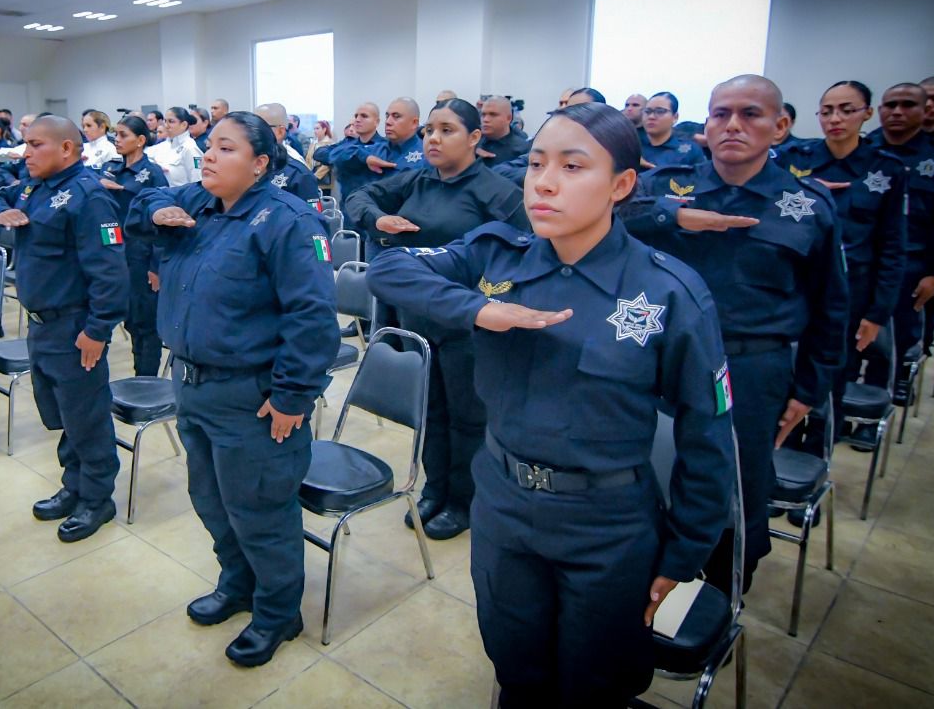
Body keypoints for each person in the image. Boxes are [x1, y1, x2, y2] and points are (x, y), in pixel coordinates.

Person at [368, 102, 734, 707]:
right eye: (536, 163)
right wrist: (478, 309)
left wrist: (686, 552)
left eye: (572, 165)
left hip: (607, 525)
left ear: (620, 185)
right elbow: (387, 267)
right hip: (505, 508)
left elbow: (707, 432)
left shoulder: (668, 290)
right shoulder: (497, 256)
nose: (543, 181)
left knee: (594, 684)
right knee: (518, 669)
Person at [125, 111, 338, 668]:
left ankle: (277, 611)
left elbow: (313, 318)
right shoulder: (197, 203)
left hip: (253, 396)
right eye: (207, 147)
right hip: (193, 384)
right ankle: (237, 582)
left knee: (260, 511)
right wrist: (156, 207)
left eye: (225, 148)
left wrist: (293, 396)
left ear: (261, 163)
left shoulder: (287, 222)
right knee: (211, 500)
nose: (209, 157)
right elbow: (137, 203)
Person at [622, 74, 847, 594]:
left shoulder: (808, 205)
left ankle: (719, 597)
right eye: (721, 114)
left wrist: (808, 391)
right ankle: (646, 579)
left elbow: (831, 308)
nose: (733, 126)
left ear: (781, 126)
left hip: (749, 367)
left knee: (733, 489)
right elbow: (612, 217)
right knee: (647, 474)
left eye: (751, 114)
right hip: (657, 358)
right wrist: (672, 214)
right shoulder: (668, 186)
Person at [346, 99, 529, 539]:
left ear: (473, 139)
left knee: (468, 417)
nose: (433, 138)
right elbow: (358, 196)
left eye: (447, 130)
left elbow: (524, 250)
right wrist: (380, 219)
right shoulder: (418, 180)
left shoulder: (496, 191)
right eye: (429, 130)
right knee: (432, 411)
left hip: (470, 323)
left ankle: (463, 501)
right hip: (418, 318)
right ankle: (435, 489)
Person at [0, 115, 130, 540]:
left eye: (35, 144)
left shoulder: (88, 196)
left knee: (87, 417)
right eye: (25, 144)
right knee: (64, 416)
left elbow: (110, 271)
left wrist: (98, 329)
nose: (26, 152)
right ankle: (74, 486)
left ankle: (97, 499)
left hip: (74, 326)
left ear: (67, 148)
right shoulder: (31, 187)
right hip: (41, 325)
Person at [774, 82, 905, 511]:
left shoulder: (884, 169)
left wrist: (878, 312)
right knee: (787, 388)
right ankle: (777, 474)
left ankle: (814, 469)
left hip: (851, 298)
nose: (835, 118)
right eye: (827, 110)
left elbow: (892, 246)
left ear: (866, 114)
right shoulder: (797, 161)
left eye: (846, 110)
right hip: (797, 293)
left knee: (827, 386)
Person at [865, 83, 934, 398]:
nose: (897, 111)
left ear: (924, 111)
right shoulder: (864, 150)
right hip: (862, 262)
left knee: (889, 344)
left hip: (912, 264)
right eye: (890, 104)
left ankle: (872, 415)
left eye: (907, 105)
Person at [99, 115, 169, 375]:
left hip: (141, 254)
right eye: (115, 134)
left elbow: (163, 222)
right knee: (114, 317)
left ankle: (146, 383)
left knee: (143, 326)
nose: (117, 139)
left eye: (123, 135)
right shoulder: (110, 167)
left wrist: (156, 266)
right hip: (112, 255)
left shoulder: (152, 174)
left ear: (140, 140)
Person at [312, 102, 383, 223]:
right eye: (356, 116)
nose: (357, 120)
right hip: (348, 209)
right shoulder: (347, 144)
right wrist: (352, 155)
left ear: (376, 121)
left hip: (374, 211)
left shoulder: (384, 146)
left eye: (364, 116)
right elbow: (319, 153)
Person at [255, 103, 322, 211]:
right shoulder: (246, 166)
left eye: (259, 127)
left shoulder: (299, 174)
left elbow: (315, 217)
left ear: (280, 132)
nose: (251, 133)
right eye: (249, 127)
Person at [639, 92, 704, 168]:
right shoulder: (633, 147)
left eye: (660, 111)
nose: (651, 117)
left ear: (675, 117)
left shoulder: (690, 150)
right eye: (647, 112)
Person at [147, 107, 202, 186]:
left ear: (184, 125)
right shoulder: (163, 146)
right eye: (165, 121)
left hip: (180, 196)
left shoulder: (190, 148)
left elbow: (197, 182)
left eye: (171, 121)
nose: (166, 125)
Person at [477, 96, 528, 165]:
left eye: (493, 114)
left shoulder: (522, 150)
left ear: (508, 118)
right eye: (483, 114)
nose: (485, 119)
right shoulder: (472, 142)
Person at [307, 119, 336, 193]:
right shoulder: (313, 143)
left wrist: (316, 176)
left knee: (324, 199)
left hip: (323, 177)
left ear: (324, 129)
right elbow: (308, 158)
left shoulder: (330, 144)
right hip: (311, 174)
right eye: (314, 129)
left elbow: (328, 163)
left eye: (317, 128)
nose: (315, 131)